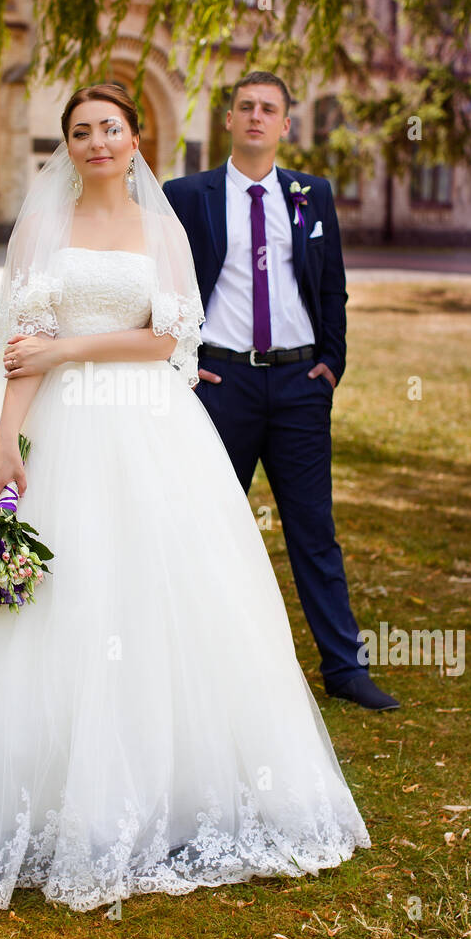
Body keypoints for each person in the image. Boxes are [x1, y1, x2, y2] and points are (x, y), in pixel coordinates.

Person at [0, 83, 370, 914]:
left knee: (147, 597)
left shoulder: (160, 226)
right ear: (68, 147)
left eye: (111, 130)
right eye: (82, 131)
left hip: (143, 423)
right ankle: (12, 774)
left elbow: (168, 336)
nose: (97, 142)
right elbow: (16, 350)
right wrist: (6, 442)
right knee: (25, 611)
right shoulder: (42, 226)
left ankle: (166, 783)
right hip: (50, 423)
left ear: (135, 142)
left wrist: (71, 350)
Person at [163, 71, 399, 712]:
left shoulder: (311, 194)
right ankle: (186, 658)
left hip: (299, 384)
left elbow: (331, 288)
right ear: (229, 118)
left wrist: (330, 366)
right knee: (208, 523)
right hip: (223, 382)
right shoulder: (187, 196)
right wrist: (184, 363)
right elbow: (163, 288)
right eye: (246, 107)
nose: (257, 117)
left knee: (313, 528)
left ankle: (345, 668)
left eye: (270, 109)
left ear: (286, 124)